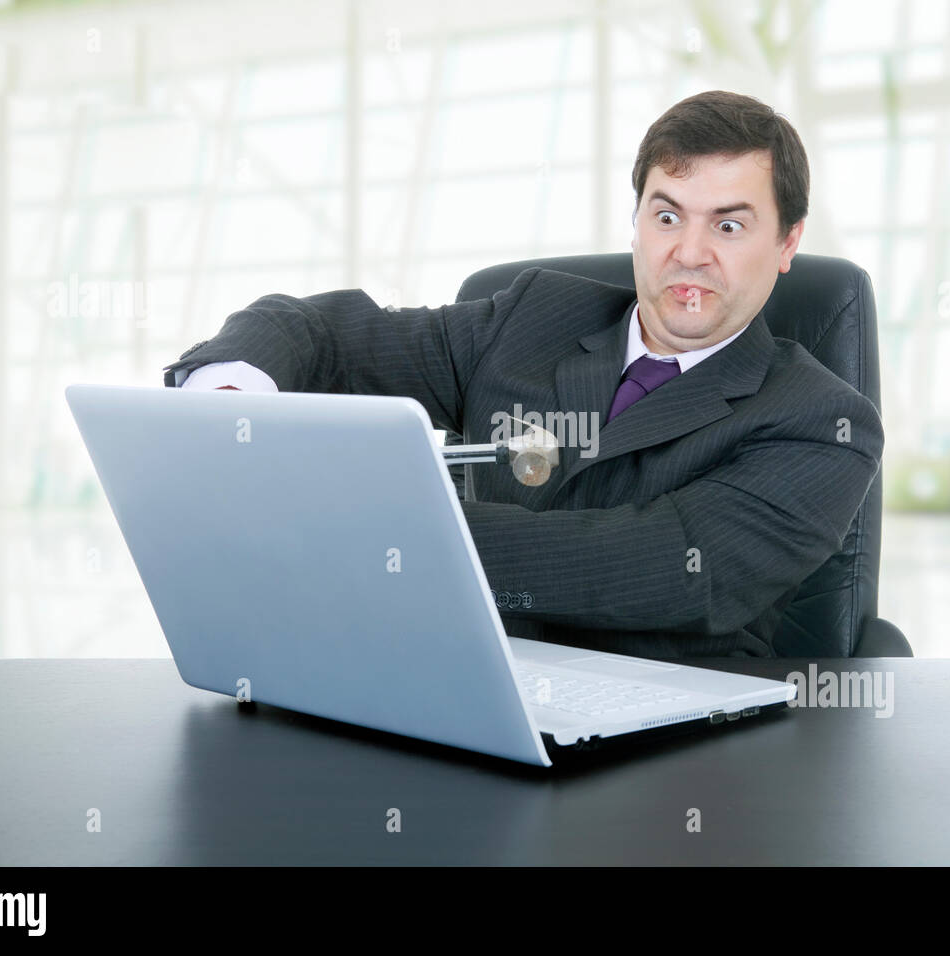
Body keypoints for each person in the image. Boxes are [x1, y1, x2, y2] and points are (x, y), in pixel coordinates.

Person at [162, 90, 884, 658]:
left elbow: (660, 566)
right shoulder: (532, 318)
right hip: (459, 688)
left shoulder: (825, 423)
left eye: (728, 226)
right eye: (667, 217)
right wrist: (227, 395)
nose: (688, 253)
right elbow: (323, 334)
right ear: (635, 222)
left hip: (671, 756)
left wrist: (377, 526)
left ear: (788, 242)